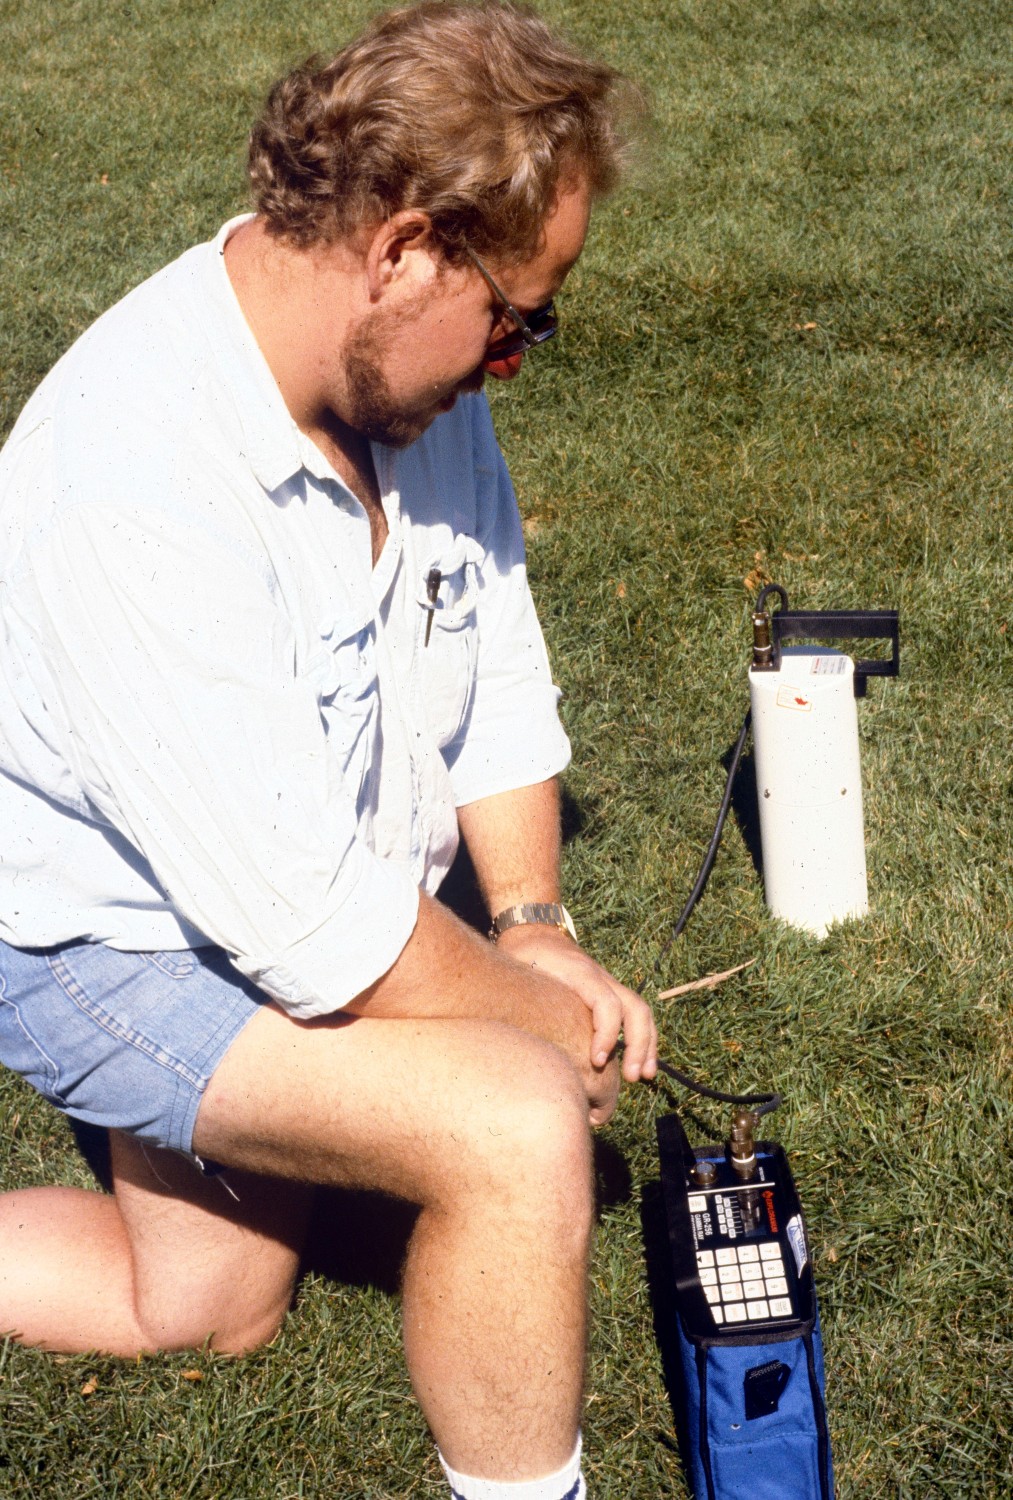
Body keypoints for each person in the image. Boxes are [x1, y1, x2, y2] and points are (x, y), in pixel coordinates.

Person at [0, 4, 656, 1497]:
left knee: (209, 1309)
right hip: (104, 941)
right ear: (403, 247)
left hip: (273, 895)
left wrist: (536, 925)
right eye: (516, 318)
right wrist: (532, 1026)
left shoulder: (400, 383)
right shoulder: (131, 481)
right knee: (510, 1123)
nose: (512, 363)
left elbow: (488, 659)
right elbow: (313, 932)